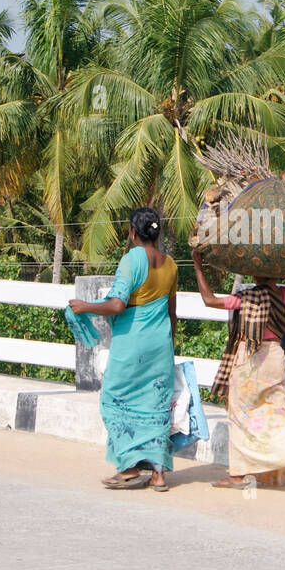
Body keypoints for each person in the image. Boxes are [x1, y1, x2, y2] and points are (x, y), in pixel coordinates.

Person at [191, 246, 285, 498]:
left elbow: (209, 300)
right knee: (281, 415)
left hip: (250, 360)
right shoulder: (284, 294)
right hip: (274, 357)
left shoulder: (246, 298)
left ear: (253, 274)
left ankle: (237, 474)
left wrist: (198, 266)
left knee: (240, 414)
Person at [67, 208, 177, 491]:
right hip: (161, 344)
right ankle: (158, 474)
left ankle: (128, 468)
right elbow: (172, 313)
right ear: (158, 232)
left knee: (113, 400)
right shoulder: (171, 265)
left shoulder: (132, 260)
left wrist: (85, 306)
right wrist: (167, 346)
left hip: (132, 343)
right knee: (155, 406)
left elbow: (117, 305)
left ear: (132, 232)